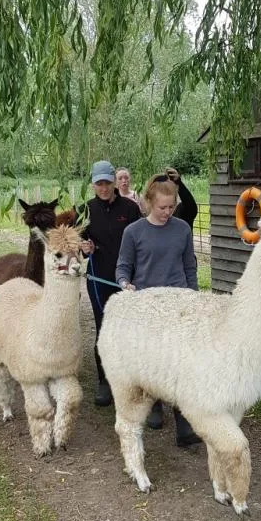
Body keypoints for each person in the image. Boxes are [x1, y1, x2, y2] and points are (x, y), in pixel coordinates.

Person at [115, 173, 202, 447]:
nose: (167, 212)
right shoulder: (133, 232)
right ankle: (152, 404)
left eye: (171, 207)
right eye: (162, 207)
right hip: (148, 305)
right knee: (152, 362)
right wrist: (124, 283)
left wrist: (194, 299)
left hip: (178, 304)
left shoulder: (183, 230)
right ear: (148, 203)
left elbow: (190, 267)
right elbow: (122, 267)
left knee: (180, 363)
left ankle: (184, 422)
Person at [81, 160, 139, 406]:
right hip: (99, 278)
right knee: (103, 329)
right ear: (93, 185)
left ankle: (130, 381)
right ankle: (104, 382)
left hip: (127, 280)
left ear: (115, 181)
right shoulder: (86, 209)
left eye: (107, 182)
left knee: (129, 331)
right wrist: (85, 248)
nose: (104, 188)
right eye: (99, 183)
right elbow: (80, 242)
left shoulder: (130, 208)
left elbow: (140, 240)